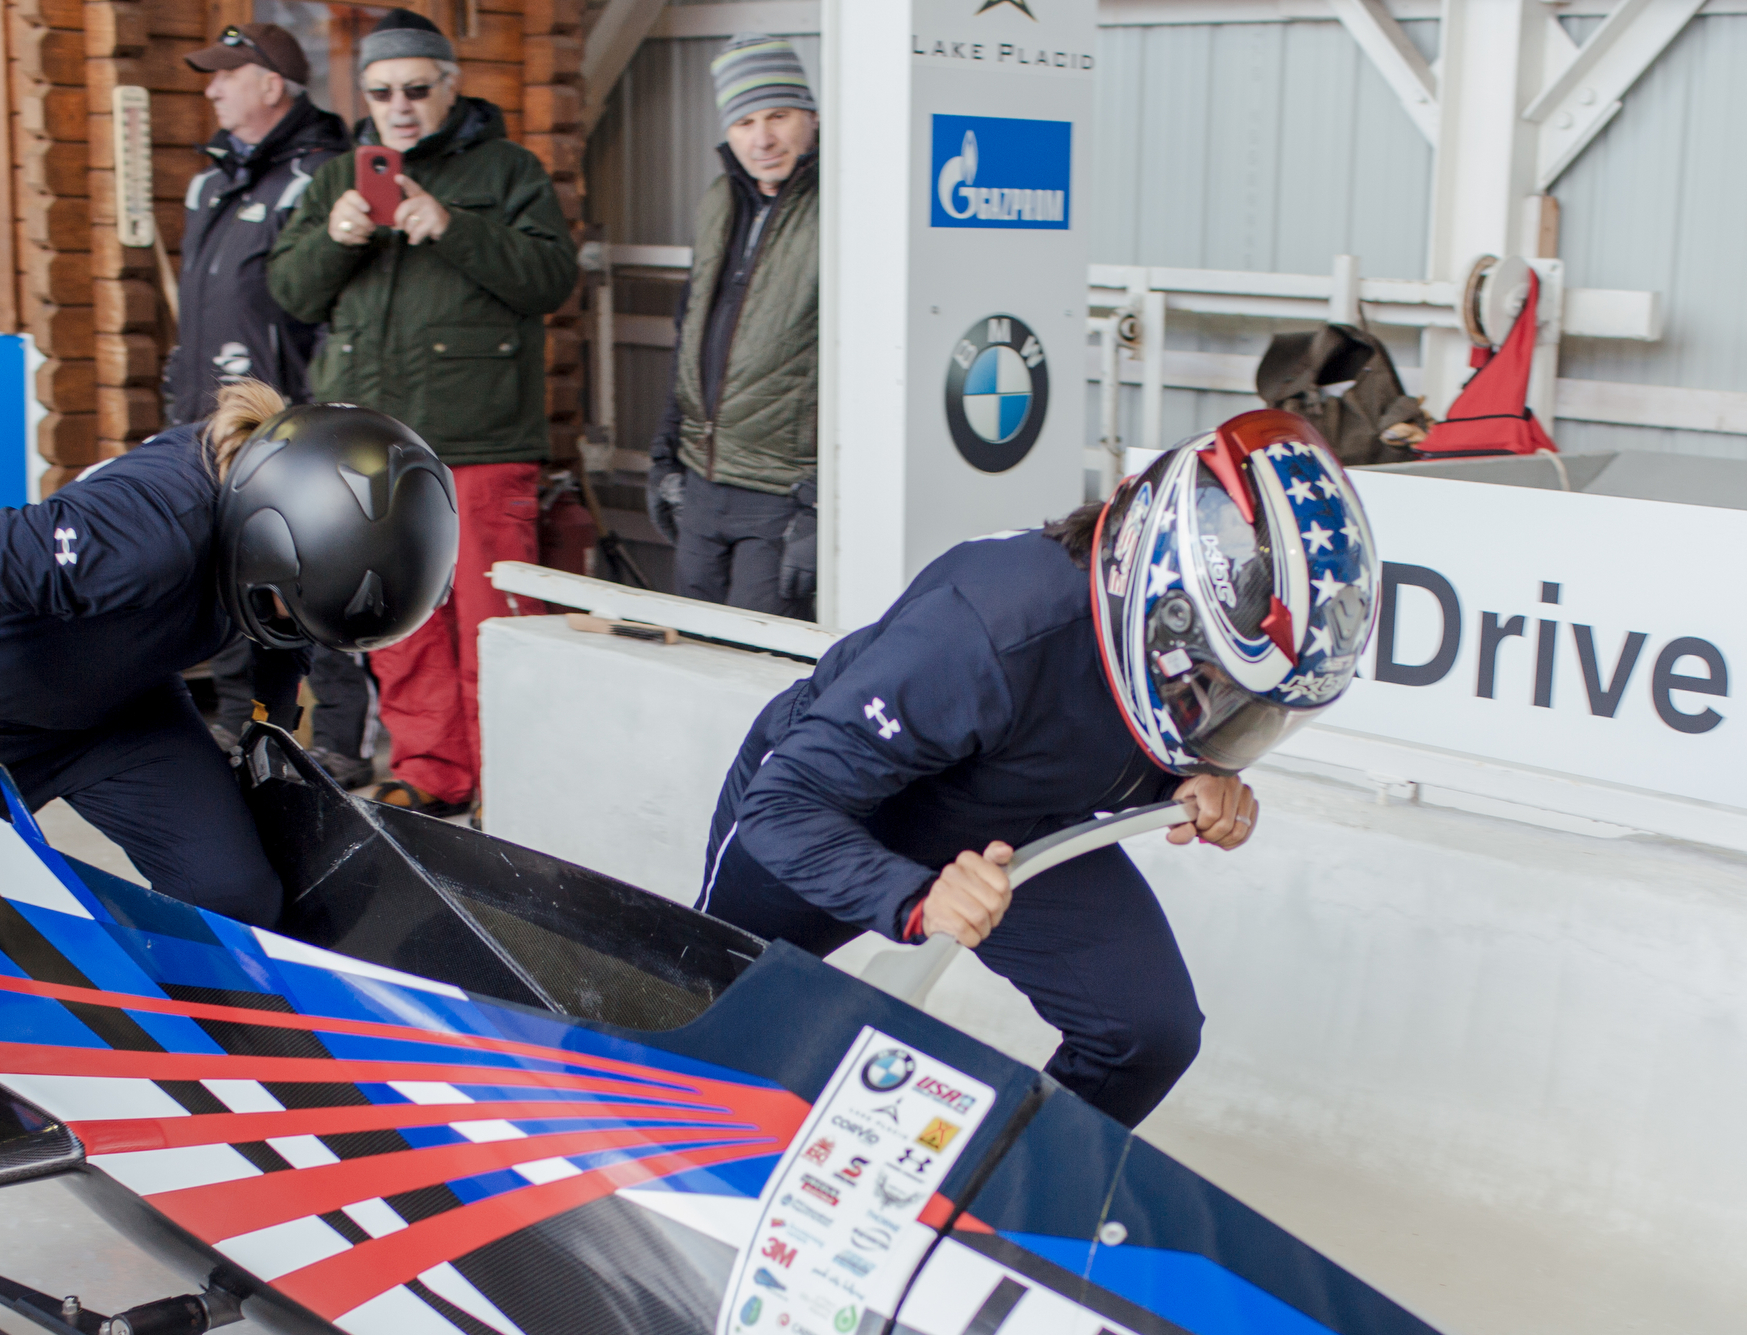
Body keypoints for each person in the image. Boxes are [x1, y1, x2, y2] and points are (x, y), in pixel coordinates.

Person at [0, 384, 457, 1100]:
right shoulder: (137, 533)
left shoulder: (285, 486)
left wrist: (269, 714)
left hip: (125, 709)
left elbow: (285, 620)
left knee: (231, 891)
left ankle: (175, 1040)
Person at [698, 413, 1381, 1127]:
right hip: (837, 805)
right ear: (1160, 605)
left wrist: (1195, 778)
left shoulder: (1156, 649)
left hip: (1011, 826)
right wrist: (913, 898)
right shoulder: (983, 629)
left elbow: (1123, 730)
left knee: (1146, 1034)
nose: (1220, 712)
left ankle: (985, 1194)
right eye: (1220, 687)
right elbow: (780, 806)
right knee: (714, 999)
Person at [268, 8, 576, 821]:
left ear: (450, 85)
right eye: (380, 92)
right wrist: (336, 238)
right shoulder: (339, 178)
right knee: (396, 620)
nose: (398, 107)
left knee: (495, 628)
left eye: (416, 88)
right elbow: (290, 292)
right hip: (370, 447)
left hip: (479, 441)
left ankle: (516, 782)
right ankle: (433, 771)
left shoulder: (509, 170)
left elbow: (551, 279)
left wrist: (453, 228)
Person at [169, 21, 370, 789]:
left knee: (313, 581)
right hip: (210, 420)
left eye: (226, 74)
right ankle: (236, 722)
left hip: (294, 421)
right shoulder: (210, 179)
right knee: (223, 576)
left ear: (271, 85)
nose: (213, 87)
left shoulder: (317, 176)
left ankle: (341, 739)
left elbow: (319, 300)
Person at [646, 34, 817, 620]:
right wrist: (666, 454)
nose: (763, 138)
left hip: (781, 494)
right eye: (745, 121)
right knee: (697, 657)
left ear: (811, 117)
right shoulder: (720, 199)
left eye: (779, 116)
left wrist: (820, 507)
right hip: (703, 481)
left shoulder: (841, 203)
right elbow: (691, 328)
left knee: (763, 669)